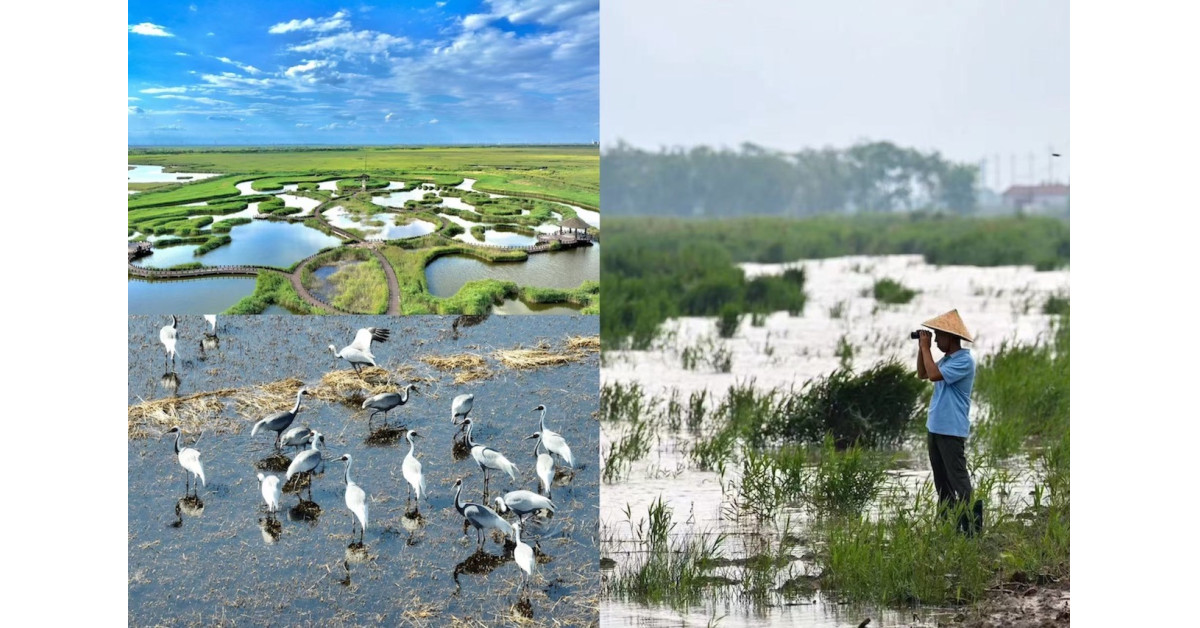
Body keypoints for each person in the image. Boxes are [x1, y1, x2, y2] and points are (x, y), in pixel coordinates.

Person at [915, 309, 982, 536]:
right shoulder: (947, 359)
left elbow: (933, 375)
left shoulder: (964, 361)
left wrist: (926, 348)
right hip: (935, 427)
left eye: (939, 335)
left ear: (952, 337)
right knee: (941, 482)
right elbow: (923, 373)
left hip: (951, 429)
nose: (935, 339)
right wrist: (921, 349)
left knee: (958, 480)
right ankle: (948, 525)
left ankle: (971, 527)